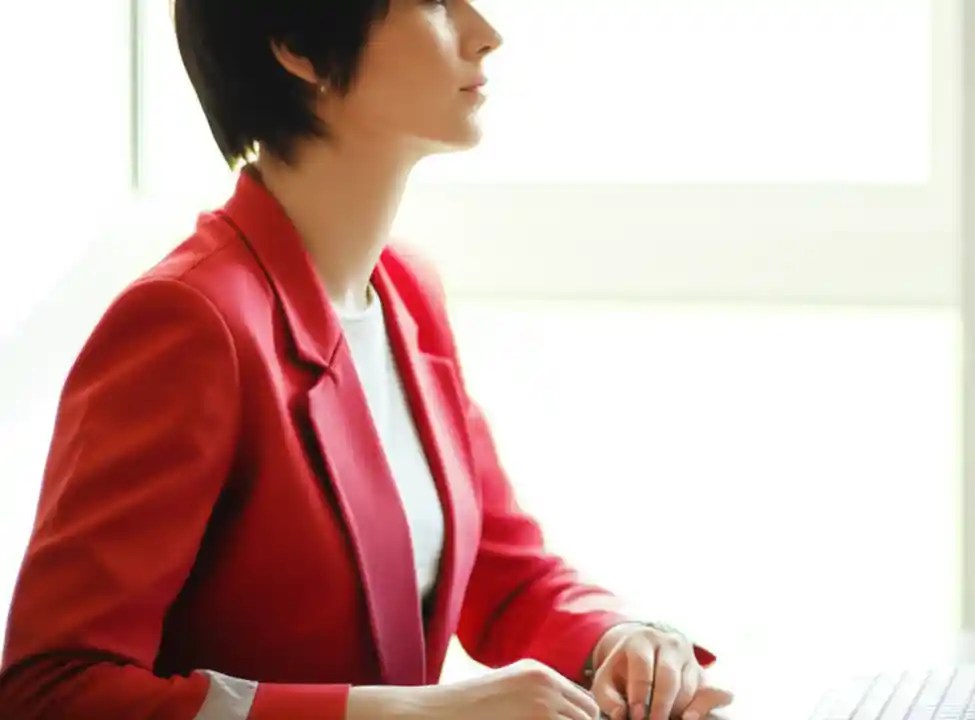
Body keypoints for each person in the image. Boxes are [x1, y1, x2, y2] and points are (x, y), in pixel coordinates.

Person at [0, 1, 733, 718]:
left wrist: (619, 641)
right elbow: (54, 689)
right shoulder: (189, 322)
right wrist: (410, 713)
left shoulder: (407, 291)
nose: (486, 34)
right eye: (435, 4)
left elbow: (495, 569)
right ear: (298, 45)